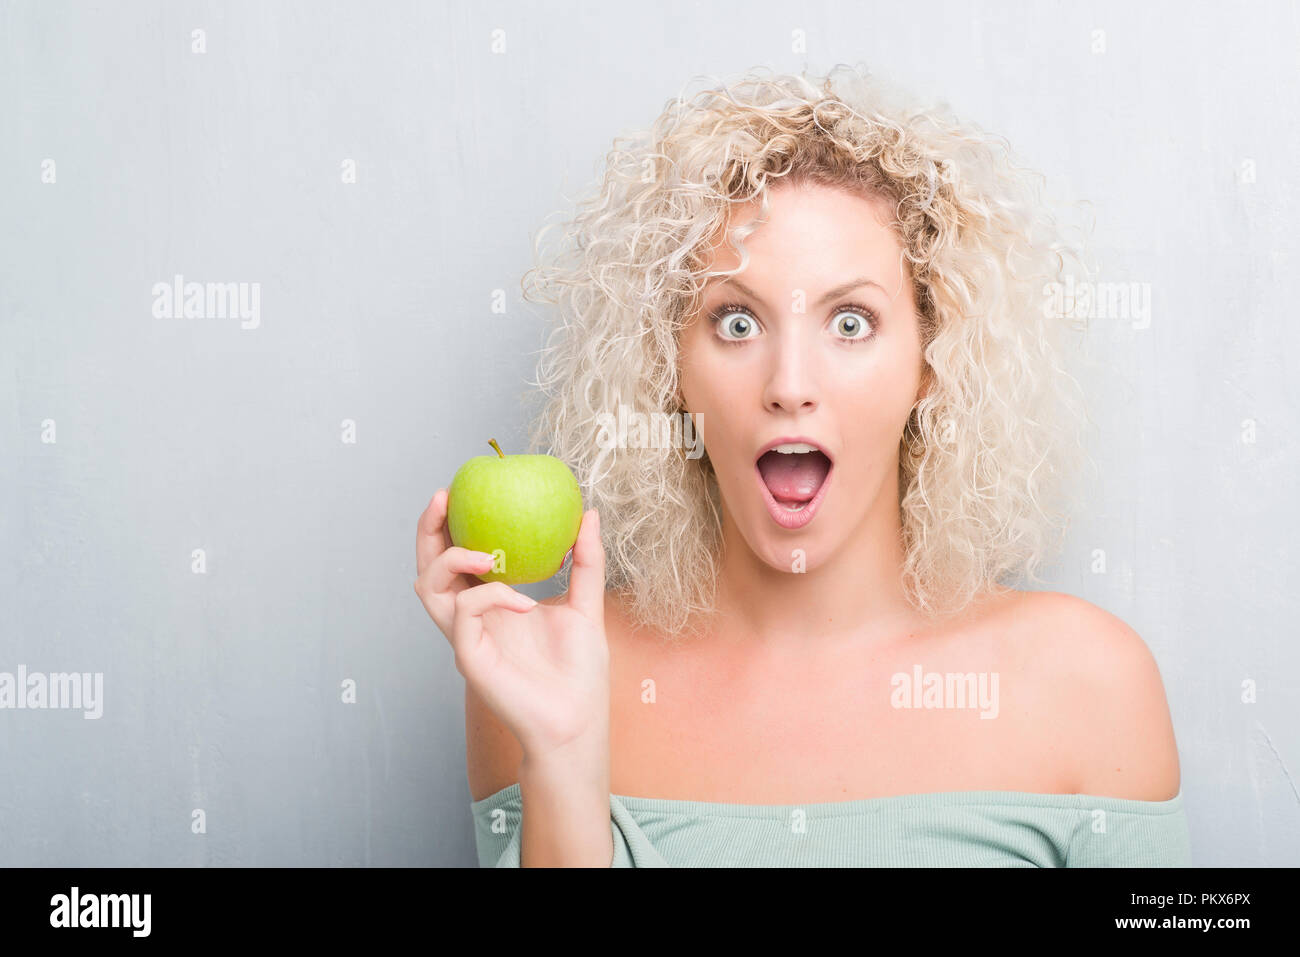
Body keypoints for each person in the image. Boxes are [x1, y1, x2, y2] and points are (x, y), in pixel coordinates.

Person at [414, 65, 1190, 867]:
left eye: (850, 322)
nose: (789, 386)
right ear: (668, 368)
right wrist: (566, 749)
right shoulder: (546, 674)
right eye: (737, 321)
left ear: (931, 363)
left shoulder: (1089, 684)